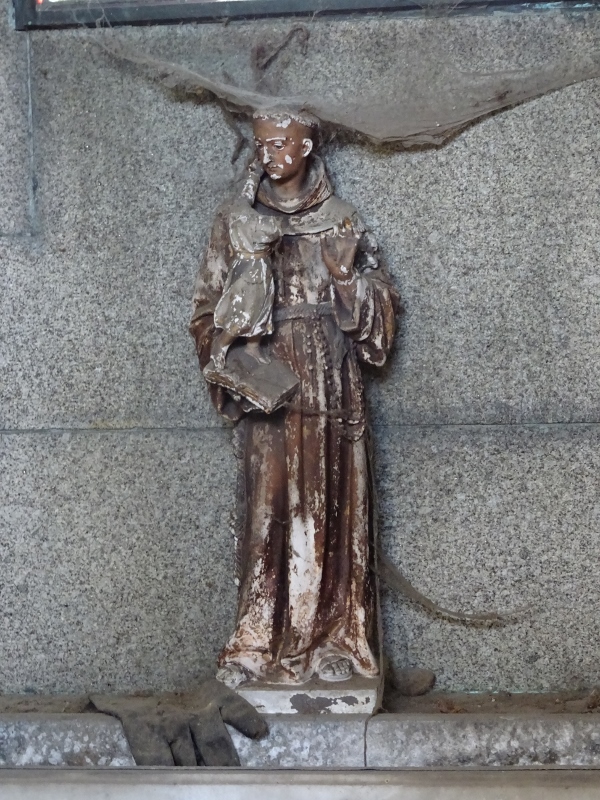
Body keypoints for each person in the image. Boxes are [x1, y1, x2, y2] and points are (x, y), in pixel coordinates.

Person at [190, 110, 399, 687]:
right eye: (262, 144)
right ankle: (258, 635)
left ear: (308, 145)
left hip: (330, 380)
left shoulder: (341, 221)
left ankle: (336, 636)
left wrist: (346, 277)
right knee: (269, 508)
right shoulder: (235, 222)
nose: (271, 153)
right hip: (268, 381)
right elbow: (206, 309)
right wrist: (231, 352)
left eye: (283, 142)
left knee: (330, 505)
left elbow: (382, 317)